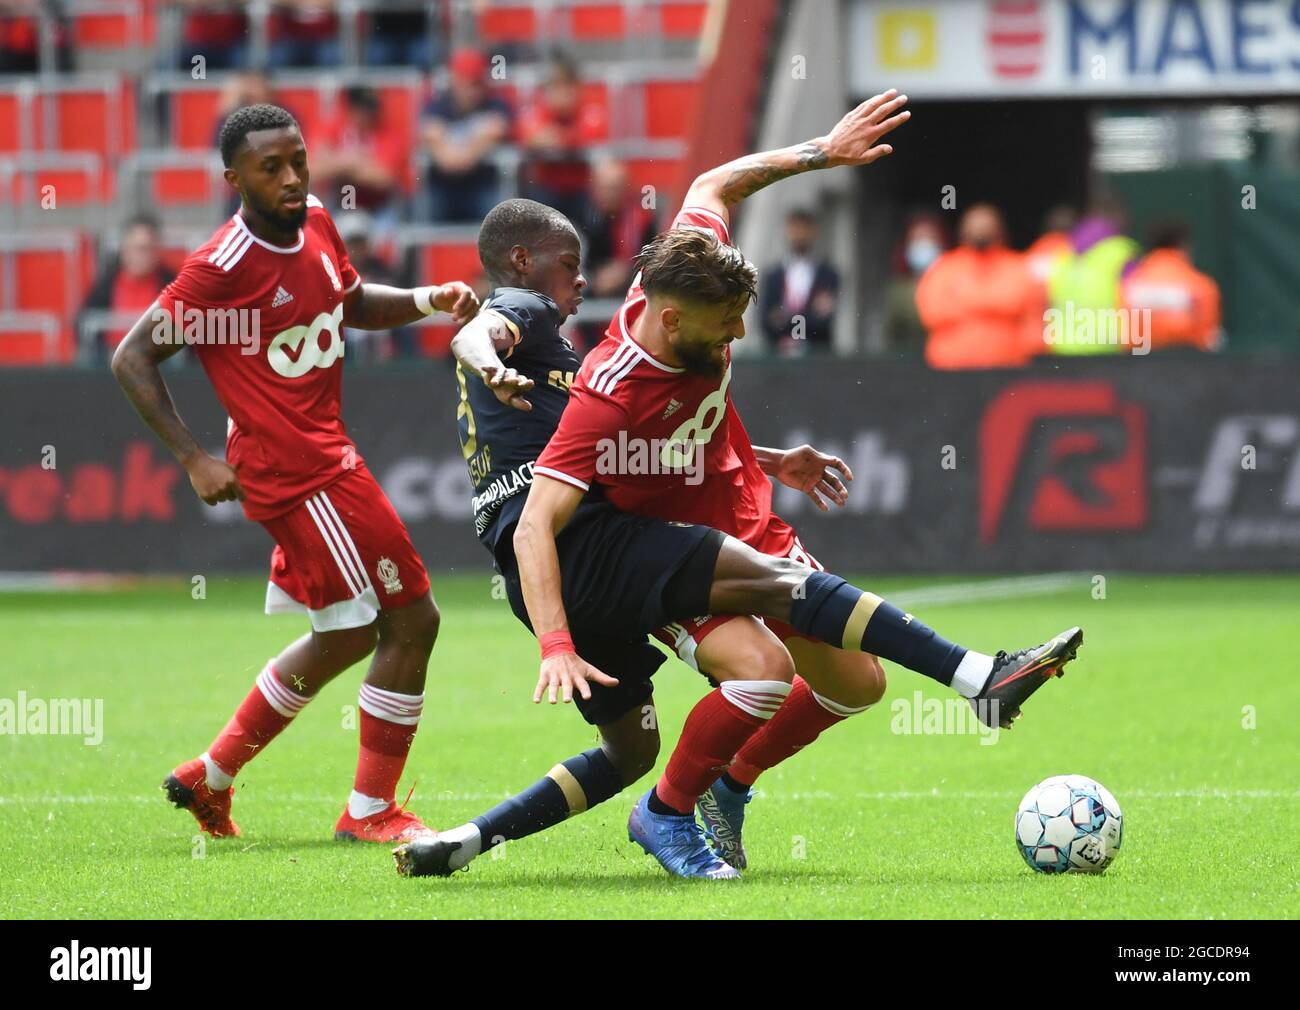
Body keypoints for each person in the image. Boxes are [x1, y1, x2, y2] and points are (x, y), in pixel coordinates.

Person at [395, 93, 1083, 881]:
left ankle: (724, 788)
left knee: (856, 682)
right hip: (672, 554)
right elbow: (536, 500)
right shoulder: (606, 390)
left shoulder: (691, 269)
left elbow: (717, 184)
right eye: (725, 325)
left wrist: (822, 151)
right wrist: (554, 641)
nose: (738, 336)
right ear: (672, 320)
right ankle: (682, 805)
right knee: (763, 671)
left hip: (742, 513)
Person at [110, 104, 479, 845]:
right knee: (412, 618)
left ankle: (208, 777)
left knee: (345, 635)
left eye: (298, 160)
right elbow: (132, 356)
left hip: (322, 456)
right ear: (233, 178)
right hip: (297, 473)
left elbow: (347, 303)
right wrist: (192, 456)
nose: (290, 178)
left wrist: (425, 303)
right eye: (269, 167)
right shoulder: (220, 267)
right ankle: (371, 811)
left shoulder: (314, 219)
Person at [915, 203, 1044, 369]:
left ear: (999, 230)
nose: (981, 231)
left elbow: (1022, 304)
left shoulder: (1017, 267)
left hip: (1008, 369)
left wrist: (966, 299)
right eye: (975, 227)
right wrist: (994, 304)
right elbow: (932, 312)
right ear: (963, 231)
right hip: (949, 369)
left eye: (986, 227)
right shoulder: (944, 267)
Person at [420, 48, 513, 224]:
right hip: (444, 188)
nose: (470, 90)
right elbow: (438, 147)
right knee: (429, 207)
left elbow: (496, 130)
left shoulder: (496, 105)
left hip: (481, 185)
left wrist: (463, 154)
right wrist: (471, 146)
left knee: (495, 214)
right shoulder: (437, 106)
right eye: (464, 83)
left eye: (475, 83)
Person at [517, 54, 607, 224]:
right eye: (556, 86)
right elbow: (529, 137)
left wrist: (559, 137)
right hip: (546, 189)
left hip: (582, 190)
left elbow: (589, 136)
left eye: (568, 86)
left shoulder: (590, 112)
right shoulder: (535, 112)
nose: (563, 93)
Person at [1046, 198, 1141, 355]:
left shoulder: (1063, 253)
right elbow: (1135, 300)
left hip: (1063, 346)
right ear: (1117, 217)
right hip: (1107, 345)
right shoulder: (1121, 251)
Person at [312, 85, 408, 230]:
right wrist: (353, 161)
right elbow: (312, 170)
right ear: (350, 109)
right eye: (361, 108)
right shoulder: (334, 127)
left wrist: (338, 164)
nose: (366, 114)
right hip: (340, 205)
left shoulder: (385, 133)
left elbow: (383, 178)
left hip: (376, 210)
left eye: (370, 109)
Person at [79, 215, 176, 359]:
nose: (143, 256)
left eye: (149, 249)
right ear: (124, 249)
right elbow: (83, 324)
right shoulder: (105, 286)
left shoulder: (173, 285)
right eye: (138, 249)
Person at [1121, 219, 1221, 352]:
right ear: (1184, 245)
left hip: (1136, 361)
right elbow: (1207, 334)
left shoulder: (1130, 283)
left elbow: (1124, 329)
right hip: (1187, 362)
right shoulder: (1200, 285)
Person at [759, 209, 840, 354]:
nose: (800, 234)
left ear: (814, 232)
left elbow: (823, 324)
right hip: (779, 357)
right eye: (795, 228)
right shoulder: (773, 276)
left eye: (804, 228)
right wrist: (809, 316)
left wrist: (784, 318)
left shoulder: (828, 274)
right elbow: (766, 323)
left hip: (815, 356)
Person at [580, 159, 657, 298]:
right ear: (595, 189)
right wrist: (596, 277)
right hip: (588, 288)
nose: (612, 194)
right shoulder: (583, 218)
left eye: (616, 188)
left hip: (632, 286)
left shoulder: (642, 220)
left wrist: (625, 272)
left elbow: (651, 260)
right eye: (607, 188)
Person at [884, 211, 947, 352]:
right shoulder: (898, 290)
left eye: (929, 238)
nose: (924, 244)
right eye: (917, 239)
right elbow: (893, 332)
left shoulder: (953, 284)